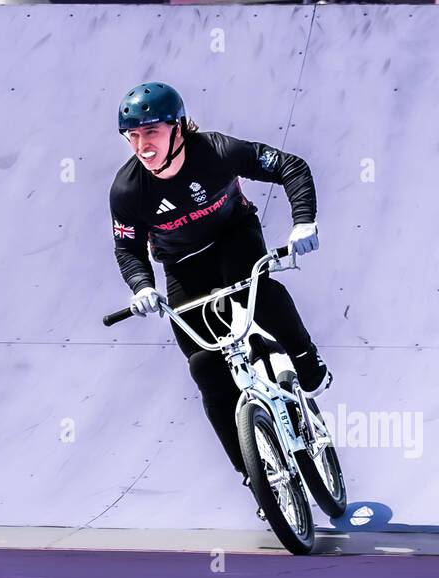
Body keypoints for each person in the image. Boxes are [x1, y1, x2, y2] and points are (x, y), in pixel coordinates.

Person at [108, 81, 331, 498]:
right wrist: (141, 286)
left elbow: (291, 166)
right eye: (133, 136)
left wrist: (303, 220)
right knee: (205, 368)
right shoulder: (128, 189)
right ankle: (253, 472)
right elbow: (128, 248)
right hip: (182, 265)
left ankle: (304, 355)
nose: (142, 145)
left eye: (151, 132)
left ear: (178, 129)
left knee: (258, 292)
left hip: (233, 238)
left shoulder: (215, 152)